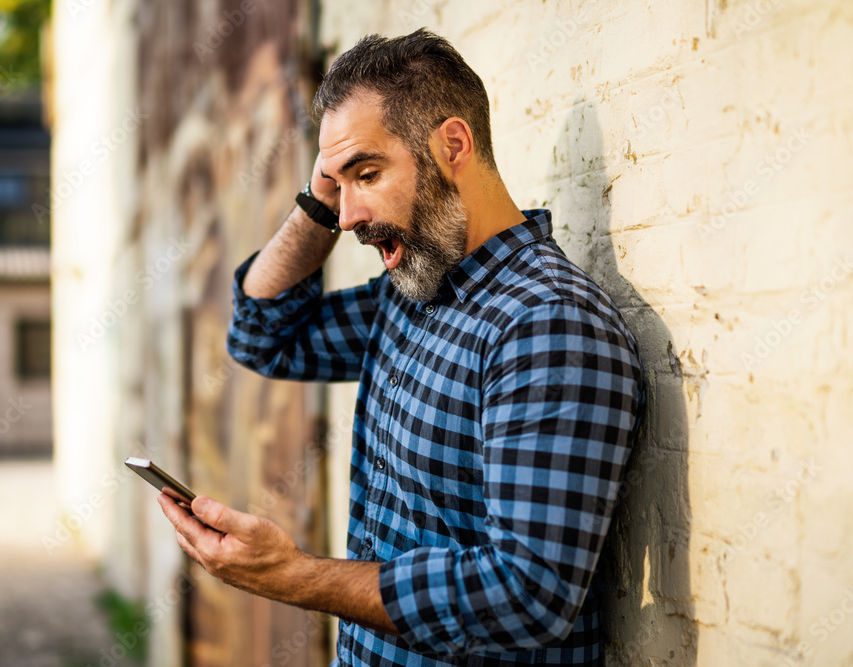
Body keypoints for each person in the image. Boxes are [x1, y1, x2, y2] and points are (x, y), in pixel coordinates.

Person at [158, 29, 645, 666]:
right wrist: (317, 202)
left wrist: (296, 576)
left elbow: (529, 595)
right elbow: (263, 337)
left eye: (368, 173)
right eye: (339, 185)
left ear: (452, 146)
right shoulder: (415, 285)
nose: (351, 216)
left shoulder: (546, 326)